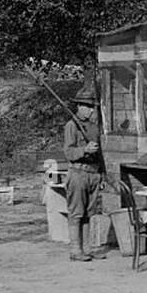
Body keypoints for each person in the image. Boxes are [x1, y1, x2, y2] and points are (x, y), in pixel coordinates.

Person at [64, 84, 105, 263]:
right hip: (78, 174)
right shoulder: (71, 126)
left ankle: (87, 248)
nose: (90, 110)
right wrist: (85, 150)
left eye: (91, 107)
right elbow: (69, 153)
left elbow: (100, 153)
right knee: (76, 213)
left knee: (90, 213)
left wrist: (101, 173)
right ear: (79, 106)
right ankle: (75, 250)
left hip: (93, 174)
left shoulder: (94, 128)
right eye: (87, 106)